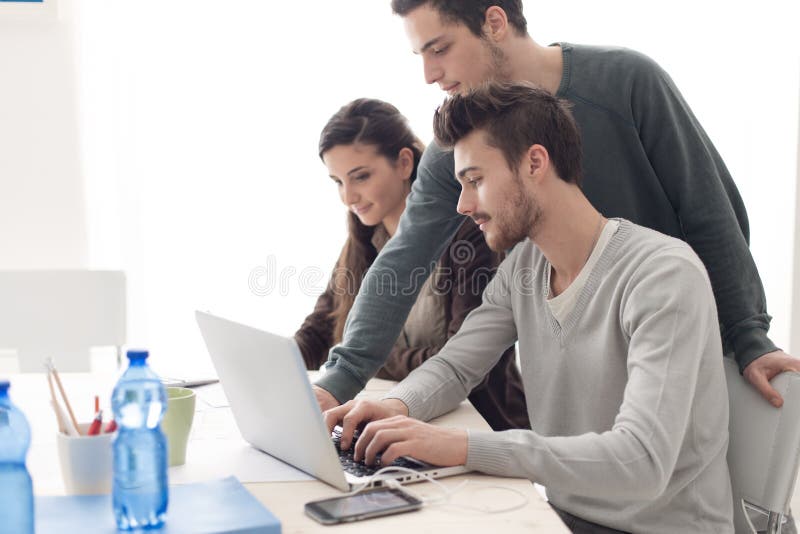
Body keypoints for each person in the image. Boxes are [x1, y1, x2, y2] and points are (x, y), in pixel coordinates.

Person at [313, 0, 800, 411]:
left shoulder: (626, 81)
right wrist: (341, 379)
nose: (428, 74)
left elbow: (709, 211)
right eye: (420, 54)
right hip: (582, 375)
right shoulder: (457, 149)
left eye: (439, 49)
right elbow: (404, 257)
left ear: (495, 23)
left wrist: (748, 334)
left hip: (677, 352)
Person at [324, 82, 734, 533]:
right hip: (558, 517)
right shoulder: (525, 265)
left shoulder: (662, 275)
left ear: (535, 163)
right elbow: (457, 366)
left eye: (476, 181)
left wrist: (463, 447)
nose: (463, 205)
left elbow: (643, 459)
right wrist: (397, 407)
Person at [294, 98, 528, 430]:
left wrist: (368, 358)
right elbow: (320, 330)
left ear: (405, 163)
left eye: (360, 177)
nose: (348, 197)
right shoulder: (363, 241)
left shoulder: (470, 232)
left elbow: (465, 359)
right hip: (399, 420)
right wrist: (275, 369)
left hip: (479, 424)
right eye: (338, 182)